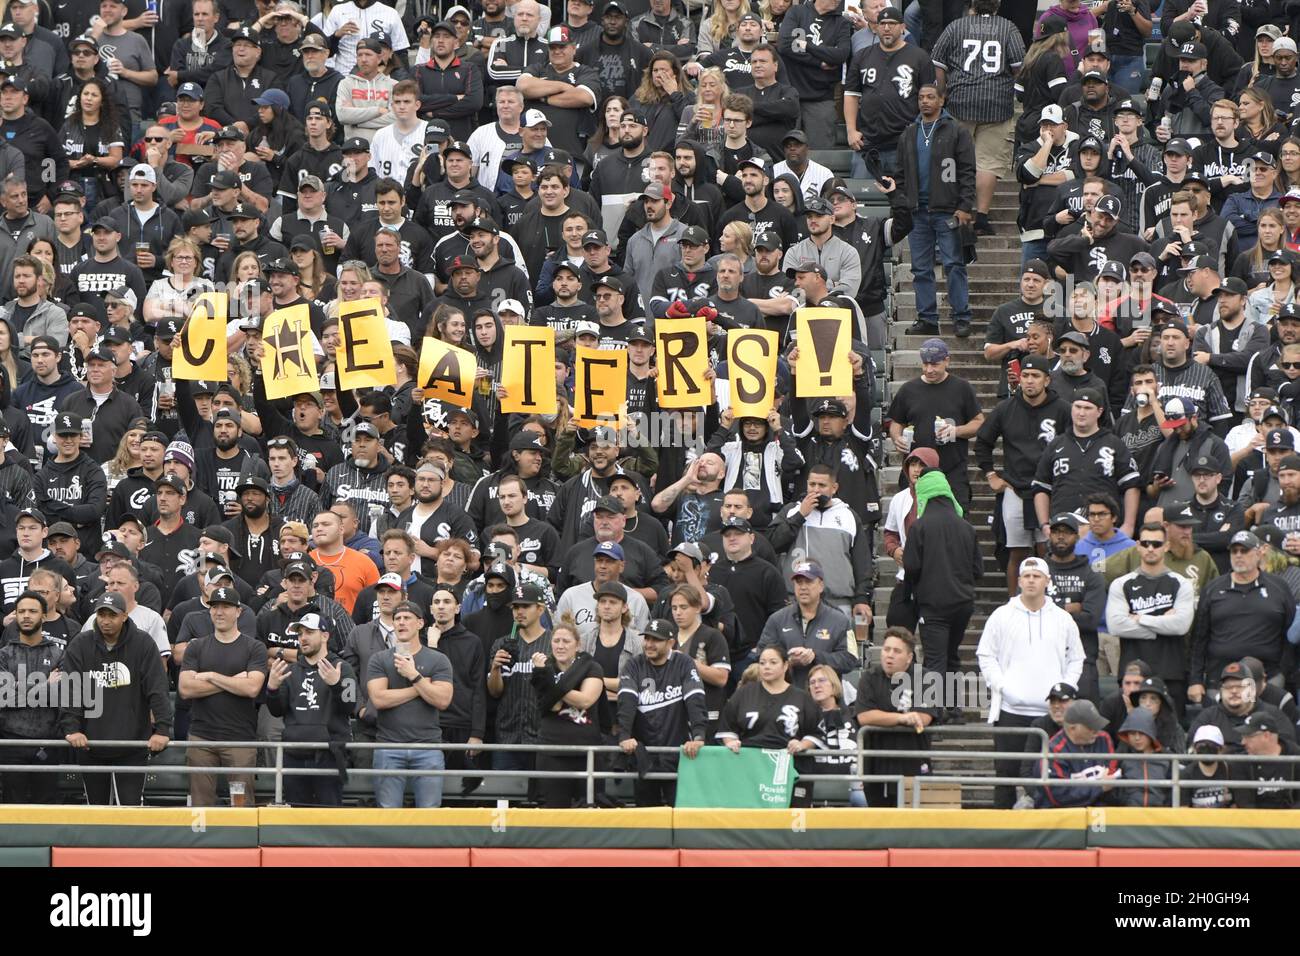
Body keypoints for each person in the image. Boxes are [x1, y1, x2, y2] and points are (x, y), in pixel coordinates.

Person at [977, 556, 1085, 808]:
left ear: (1047, 581)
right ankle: (1001, 833)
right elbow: (986, 655)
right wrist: (1002, 687)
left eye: (1037, 576)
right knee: (1005, 775)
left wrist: (1065, 692)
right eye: (1026, 575)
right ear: (1019, 580)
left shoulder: (1062, 619)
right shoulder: (1001, 615)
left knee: (1054, 774)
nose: (1031, 580)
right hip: (1010, 711)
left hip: (1052, 714)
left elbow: (1077, 659)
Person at [58, 592, 172, 806]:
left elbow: (157, 688)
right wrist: (71, 728)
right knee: (96, 811)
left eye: (112, 615)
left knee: (130, 811)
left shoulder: (143, 644)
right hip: (90, 744)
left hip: (132, 745)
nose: (106, 621)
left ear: (124, 616)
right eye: (101, 614)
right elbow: (70, 689)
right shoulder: (81, 644)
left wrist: (163, 730)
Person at [897, 84, 976, 336]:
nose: (925, 102)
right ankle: (927, 318)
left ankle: (961, 316)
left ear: (942, 100)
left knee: (954, 264)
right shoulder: (909, 132)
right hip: (917, 211)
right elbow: (900, 173)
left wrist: (965, 205)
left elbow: (967, 171)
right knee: (920, 268)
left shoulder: (956, 130)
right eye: (921, 98)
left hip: (947, 210)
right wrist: (901, 202)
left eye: (931, 97)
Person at [177, 585, 267, 807]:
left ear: (238, 611)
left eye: (226, 607)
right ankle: (203, 841)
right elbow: (186, 689)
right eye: (215, 606)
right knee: (200, 805)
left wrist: (209, 676)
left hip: (240, 739)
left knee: (242, 805)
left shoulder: (254, 647)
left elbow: (252, 689)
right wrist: (233, 680)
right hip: (201, 737)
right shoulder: (196, 647)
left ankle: (242, 842)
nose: (219, 612)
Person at [1189, 530, 1297, 701]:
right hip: (1220, 680)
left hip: (1269, 679)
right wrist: (1195, 680)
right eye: (1234, 551)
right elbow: (1199, 637)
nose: (1239, 555)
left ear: (1259, 552)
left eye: (1244, 550)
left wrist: (1283, 671)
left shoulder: (1279, 587)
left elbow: (1290, 633)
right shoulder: (1213, 588)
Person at [366, 600, 454, 808]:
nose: (401, 623)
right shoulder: (379, 659)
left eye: (407, 618)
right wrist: (421, 686)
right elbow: (379, 699)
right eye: (397, 618)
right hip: (388, 747)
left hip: (428, 747)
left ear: (420, 623)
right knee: (388, 816)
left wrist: (413, 675)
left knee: (429, 815)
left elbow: (443, 700)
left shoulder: (438, 659)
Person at [1105, 521, 1196, 712]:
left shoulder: (1181, 584)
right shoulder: (1122, 584)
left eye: (1156, 544)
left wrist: (1140, 618)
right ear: (1138, 546)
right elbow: (1116, 626)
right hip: (1132, 675)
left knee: (1169, 735)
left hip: (1171, 673)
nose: (1150, 548)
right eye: (1145, 543)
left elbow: (1180, 626)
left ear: (1167, 546)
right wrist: (1163, 624)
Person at [616, 617, 707, 806]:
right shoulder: (634, 664)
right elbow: (627, 702)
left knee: (680, 812)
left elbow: (695, 701)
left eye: (655, 640)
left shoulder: (683, 663)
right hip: (644, 754)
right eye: (647, 638)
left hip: (678, 753)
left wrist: (698, 736)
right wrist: (624, 735)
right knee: (646, 816)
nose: (649, 644)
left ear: (671, 643)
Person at [528, 623, 604, 808]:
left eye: (566, 641)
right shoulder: (545, 669)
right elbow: (553, 706)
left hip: (587, 750)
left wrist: (550, 683)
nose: (560, 646)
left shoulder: (591, 667)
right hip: (552, 750)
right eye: (556, 641)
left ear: (577, 645)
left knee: (588, 812)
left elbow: (586, 700)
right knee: (554, 810)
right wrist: (551, 680)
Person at [0, 590, 63, 803]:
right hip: (10, 743)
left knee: (47, 807)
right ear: (15, 616)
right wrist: (45, 685)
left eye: (32, 611)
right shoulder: (3, 655)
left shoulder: (59, 654)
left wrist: (18, 688)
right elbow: (4, 696)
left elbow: (61, 696)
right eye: (21, 611)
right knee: (12, 805)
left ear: (44, 616)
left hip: (48, 743)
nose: (26, 615)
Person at [1034, 698, 1119, 808]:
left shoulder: (1103, 738)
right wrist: (1099, 787)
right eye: (1091, 727)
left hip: (1098, 812)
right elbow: (1059, 796)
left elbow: (1113, 776)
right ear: (1073, 728)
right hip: (1061, 816)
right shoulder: (1053, 751)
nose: (1096, 730)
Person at [1229, 712, 1300, 808]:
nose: (1243, 742)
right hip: (1255, 820)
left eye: (1248, 736)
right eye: (1243, 737)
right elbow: (1245, 804)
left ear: (1266, 736)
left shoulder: (1295, 756)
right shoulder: (1240, 763)